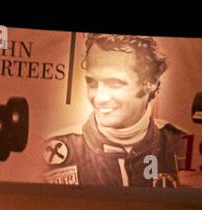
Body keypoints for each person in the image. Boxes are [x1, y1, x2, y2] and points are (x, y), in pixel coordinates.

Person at [43, 34, 185, 187]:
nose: (99, 98)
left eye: (114, 83)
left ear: (150, 83)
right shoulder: (55, 151)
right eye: (92, 83)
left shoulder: (182, 144)